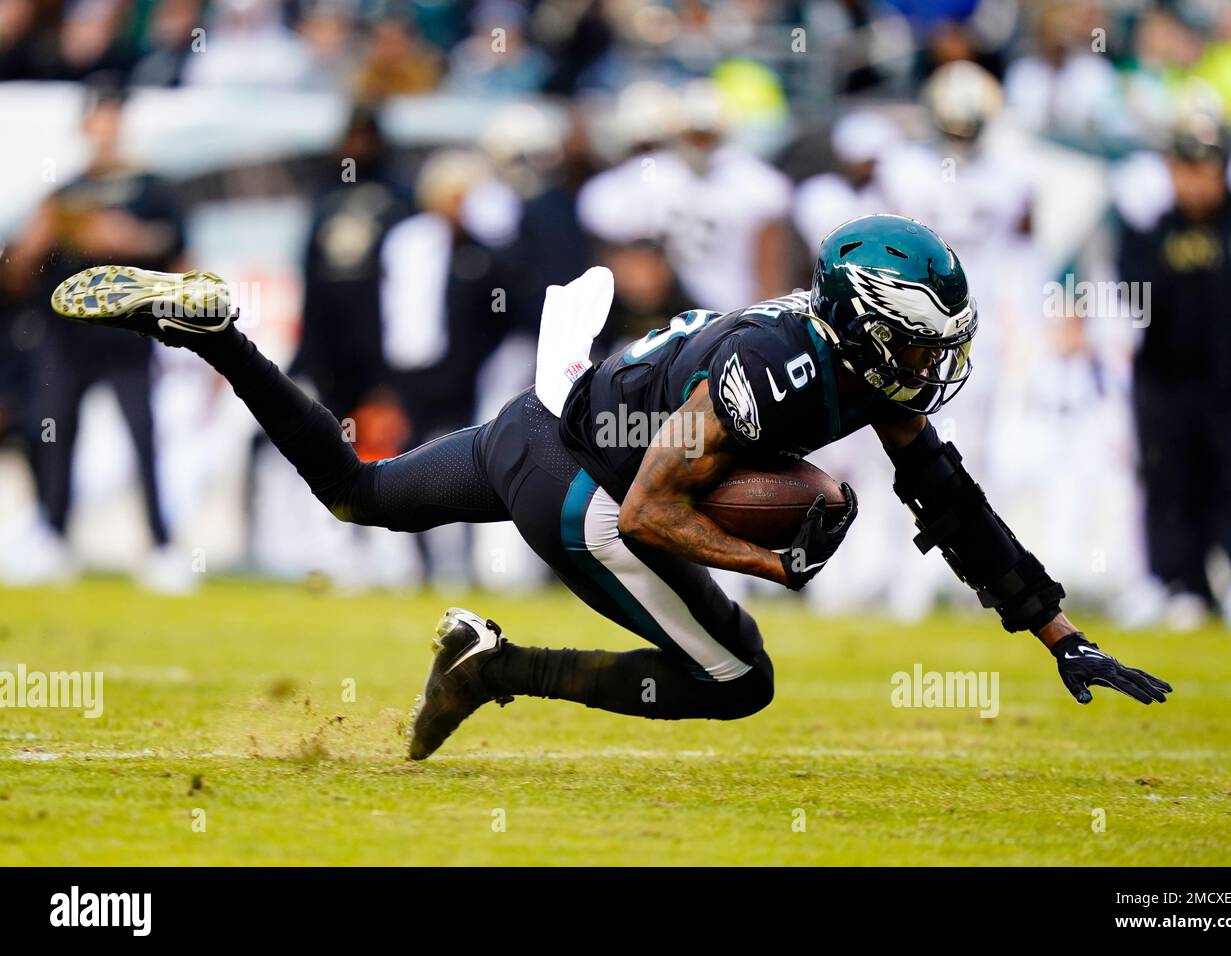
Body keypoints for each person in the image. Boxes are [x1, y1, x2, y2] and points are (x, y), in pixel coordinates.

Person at [49, 214, 1172, 760]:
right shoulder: (775, 372)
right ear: (866, 324)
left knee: (357, 489)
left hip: (546, 420)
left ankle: (219, 337)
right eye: (917, 345)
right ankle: (501, 667)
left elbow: (946, 493)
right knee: (737, 681)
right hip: (585, 482)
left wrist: (1052, 626)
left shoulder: (841, 358)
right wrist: (771, 558)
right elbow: (648, 513)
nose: (928, 370)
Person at [1118, 117, 1231, 634]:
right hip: (1168, 386)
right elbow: (1131, 302)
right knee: (1170, 485)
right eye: (1185, 167)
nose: (1196, 180)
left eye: (1205, 168)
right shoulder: (1150, 233)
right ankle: (1181, 585)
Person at [4, 83, 188, 590]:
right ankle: (51, 538)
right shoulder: (62, 192)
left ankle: (163, 547)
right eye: (97, 118)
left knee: (143, 440)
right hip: (67, 340)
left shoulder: (150, 188)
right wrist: (34, 238)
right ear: (86, 127)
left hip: (129, 338)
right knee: (56, 436)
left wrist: (125, 236)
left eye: (112, 117)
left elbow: (175, 254)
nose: (105, 129)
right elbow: (18, 272)